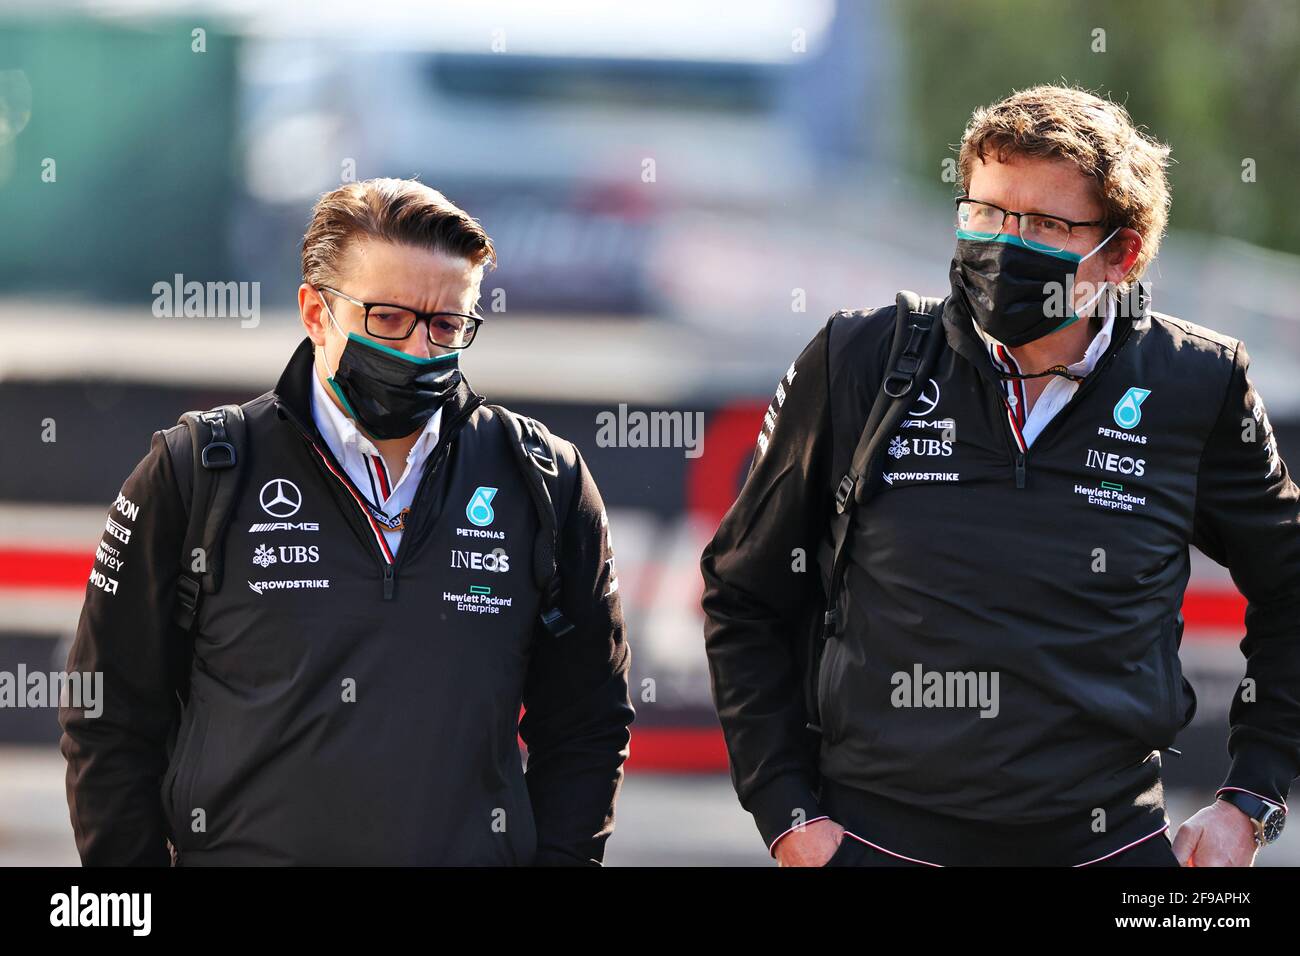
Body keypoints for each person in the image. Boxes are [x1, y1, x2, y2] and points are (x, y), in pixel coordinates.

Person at [701, 85, 1299, 867]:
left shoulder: (1197, 383)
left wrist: (1251, 799)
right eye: (986, 213)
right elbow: (742, 592)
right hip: (879, 840)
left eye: (1045, 225)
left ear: (1121, 254)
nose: (1003, 244)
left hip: (1108, 844)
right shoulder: (861, 359)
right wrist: (786, 815)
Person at [59, 177, 634, 866]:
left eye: (445, 325)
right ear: (315, 312)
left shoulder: (542, 480)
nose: (420, 351)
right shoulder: (199, 471)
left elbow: (587, 725)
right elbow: (106, 715)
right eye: (388, 319)